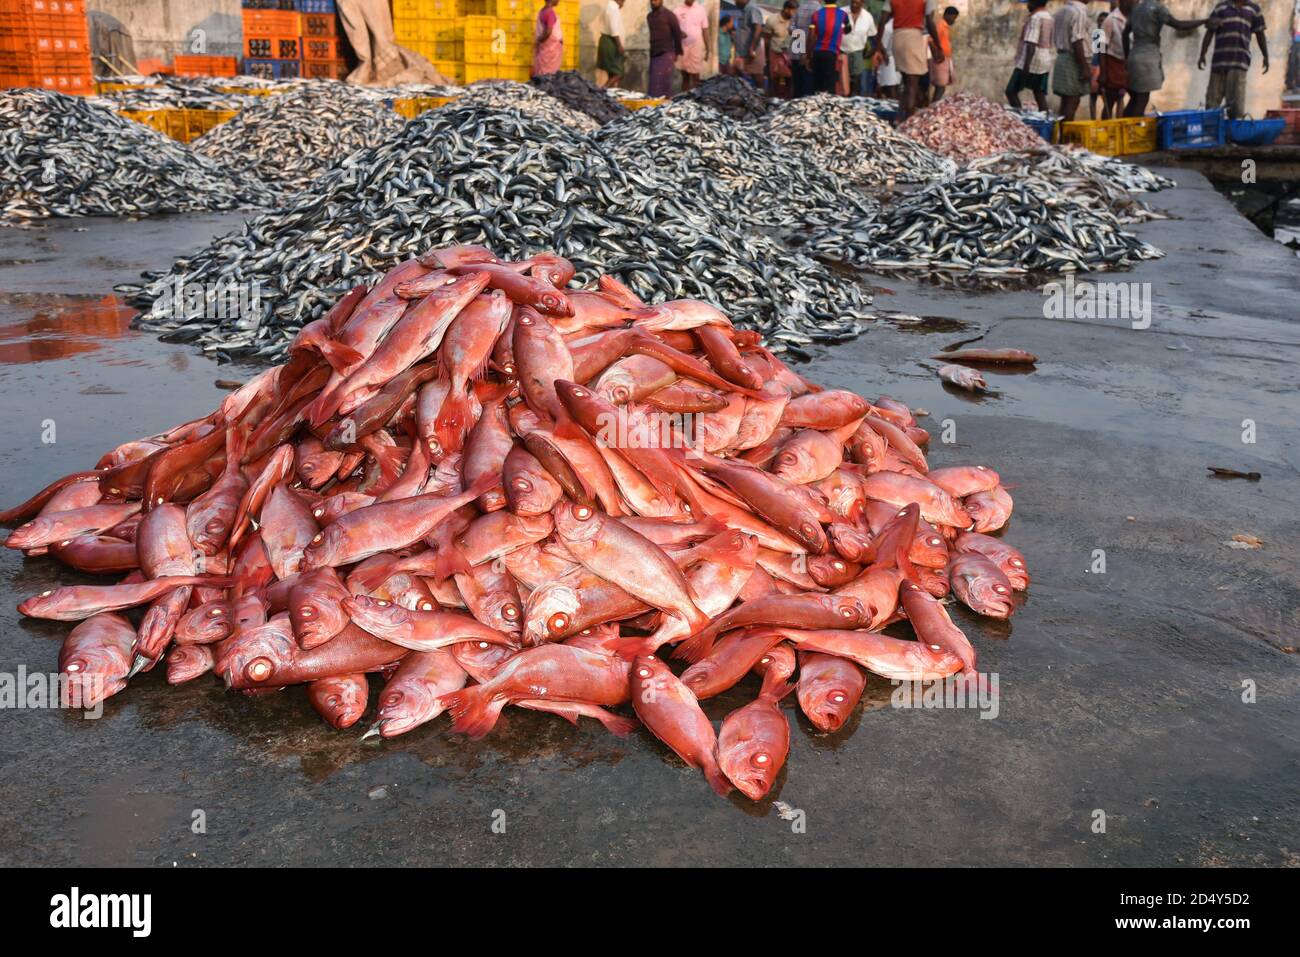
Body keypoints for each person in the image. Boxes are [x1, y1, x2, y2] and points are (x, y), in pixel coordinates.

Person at [1125, 0, 1208, 116]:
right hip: (1143, 59)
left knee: (1133, 99)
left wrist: (1126, 58)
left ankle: (1122, 129)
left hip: (1132, 57)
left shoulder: (1136, 9)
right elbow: (1179, 25)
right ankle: (1133, 131)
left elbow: (1124, 33)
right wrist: (1204, 21)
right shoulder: (1157, 9)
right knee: (1139, 101)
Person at [1199, 0, 1269, 119]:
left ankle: (1233, 136)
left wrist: (1265, 56)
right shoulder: (1220, 7)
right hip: (1219, 62)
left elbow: (1260, 34)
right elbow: (1209, 31)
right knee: (1211, 104)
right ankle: (1213, 133)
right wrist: (1202, 54)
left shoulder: (1254, 9)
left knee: (1236, 107)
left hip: (1239, 62)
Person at [881, 0, 946, 120]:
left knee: (906, 83)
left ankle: (899, 118)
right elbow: (930, 22)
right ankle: (909, 120)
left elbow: (882, 19)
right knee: (912, 84)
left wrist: (878, 44)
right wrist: (938, 45)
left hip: (897, 38)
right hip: (913, 37)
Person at [1007, 0, 1054, 112]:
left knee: (1011, 91)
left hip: (1032, 60)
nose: (1028, 5)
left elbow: (1031, 42)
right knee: (1039, 94)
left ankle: (1020, 120)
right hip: (1044, 59)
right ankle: (1046, 122)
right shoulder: (1049, 17)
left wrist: (1026, 66)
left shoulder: (1035, 18)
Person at [1051, 0, 1092, 121]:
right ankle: (1066, 136)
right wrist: (1084, 67)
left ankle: (1061, 135)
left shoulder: (1062, 10)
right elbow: (1077, 40)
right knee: (1072, 100)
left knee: (1066, 101)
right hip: (1073, 59)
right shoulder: (1079, 12)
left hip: (1063, 57)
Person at [808, 0, 852, 94]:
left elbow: (811, 37)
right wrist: (841, 31)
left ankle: (815, 106)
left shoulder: (816, 14)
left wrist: (808, 56)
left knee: (816, 84)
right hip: (831, 53)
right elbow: (848, 29)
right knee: (829, 85)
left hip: (817, 52)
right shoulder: (843, 14)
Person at [646, 0, 684, 97]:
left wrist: (678, 52)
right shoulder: (649, 17)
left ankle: (665, 108)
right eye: (651, 0)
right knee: (653, 84)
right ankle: (662, 108)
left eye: (656, 0)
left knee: (660, 84)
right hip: (654, 54)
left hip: (666, 53)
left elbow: (677, 33)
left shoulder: (669, 15)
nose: (653, 2)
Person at [1100, 0, 1130, 118]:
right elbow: (1100, 47)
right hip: (1113, 63)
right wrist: (1102, 72)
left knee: (1122, 98)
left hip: (1127, 65)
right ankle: (1105, 129)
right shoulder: (1110, 19)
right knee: (1110, 100)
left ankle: (1119, 127)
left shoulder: (1135, 17)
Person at [842, 0, 878, 96]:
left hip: (858, 52)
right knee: (841, 81)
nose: (854, 4)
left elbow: (873, 35)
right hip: (841, 52)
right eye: (853, 2)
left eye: (857, 2)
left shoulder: (867, 17)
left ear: (862, 3)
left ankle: (853, 103)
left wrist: (873, 50)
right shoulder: (842, 12)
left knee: (856, 82)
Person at [675, 0, 711, 92]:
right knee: (685, 76)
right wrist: (679, 33)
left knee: (696, 76)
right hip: (683, 48)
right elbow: (673, 30)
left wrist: (708, 49)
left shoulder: (701, 10)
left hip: (696, 48)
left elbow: (705, 30)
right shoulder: (677, 11)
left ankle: (695, 101)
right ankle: (684, 101)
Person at [766, 1, 799, 99]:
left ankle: (789, 100)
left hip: (790, 55)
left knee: (791, 80)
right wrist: (767, 58)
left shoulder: (795, 21)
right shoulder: (772, 20)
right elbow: (767, 38)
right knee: (774, 80)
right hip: (775, 54)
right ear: (786, 9)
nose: (795, 14)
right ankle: (773, 100)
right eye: (793, 11)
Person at [733, 0, 768, 88]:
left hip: (752, 52)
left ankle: (762, 100)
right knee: (738, 78)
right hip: (744, 53)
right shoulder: (745, 10)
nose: (735, 2)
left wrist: (752, 49)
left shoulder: (752, 9)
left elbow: (759, 28)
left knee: (757, 78)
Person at [792, 0, 822, 95]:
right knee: (809, 84)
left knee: (797, 84)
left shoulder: (798, 9)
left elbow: (790, 28)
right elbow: (818, 33)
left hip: (797, 50)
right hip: (812, 51)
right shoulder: (820, 10)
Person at [929, 5, 958, 102]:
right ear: (947, 15)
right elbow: (930, 41)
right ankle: (933, 108)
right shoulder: (940, 25)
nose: (953, 20)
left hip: (945, 58)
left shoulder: (945, 26)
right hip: (940, 58)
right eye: (953, 18)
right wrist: (936, 54)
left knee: (942, 86)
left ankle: (934, 106)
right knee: (940, 86)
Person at [597, 0, 627, 88]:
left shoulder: (608, 6)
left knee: (612, 73)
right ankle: (602, 91)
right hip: (611, 42)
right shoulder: (613, 8)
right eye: (623, 1)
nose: (623, 4)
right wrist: (619, 45)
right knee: (619, 73)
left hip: (608, 40)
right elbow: (614, 29)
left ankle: (608, 95)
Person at [531, 0, 564, 79]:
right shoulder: (550, 13)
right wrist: (540, 40)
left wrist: (538, 41)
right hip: (550, 50)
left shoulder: (542, 11)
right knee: (549, 76)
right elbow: (548, 32)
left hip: (544, 48)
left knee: (542, 73)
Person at [875, 15, 901, 100]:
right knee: (891, 86)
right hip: (890, 57)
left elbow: (880, 41)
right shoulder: (890, 26)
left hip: (892, 57)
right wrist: (884, 52)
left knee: (891, 85)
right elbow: (880, 41)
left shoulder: (890, 25)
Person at [1089, 11, 1108, 117]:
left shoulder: (1106, 33)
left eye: (1103, 21)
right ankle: (1093, 119)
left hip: (1102, 67)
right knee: (1093, 95)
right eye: (1099, 21)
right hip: (1096, 66)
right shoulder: (1097, 33)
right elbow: (1097, 52)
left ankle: (1103, 119)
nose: (1101, 23)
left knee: (1105, 96)